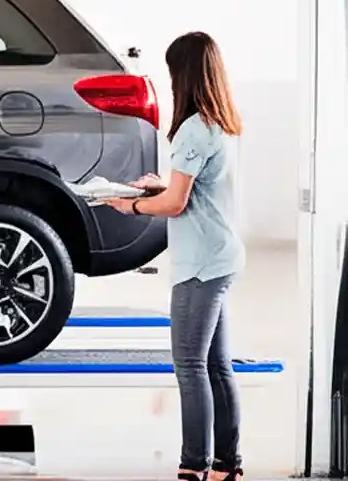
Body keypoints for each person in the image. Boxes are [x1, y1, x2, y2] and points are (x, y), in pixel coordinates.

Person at [100, 31, 245, 481]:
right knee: (217, 366)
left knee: (190, 365)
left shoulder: (192, 128)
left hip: (200, 264)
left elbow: (176, 204)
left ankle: (193, 465)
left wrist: (132, 205)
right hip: (222, 255)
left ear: (183, 74)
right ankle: (227, 465)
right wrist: (159, 187)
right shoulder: (222, 123)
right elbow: (193, 190)